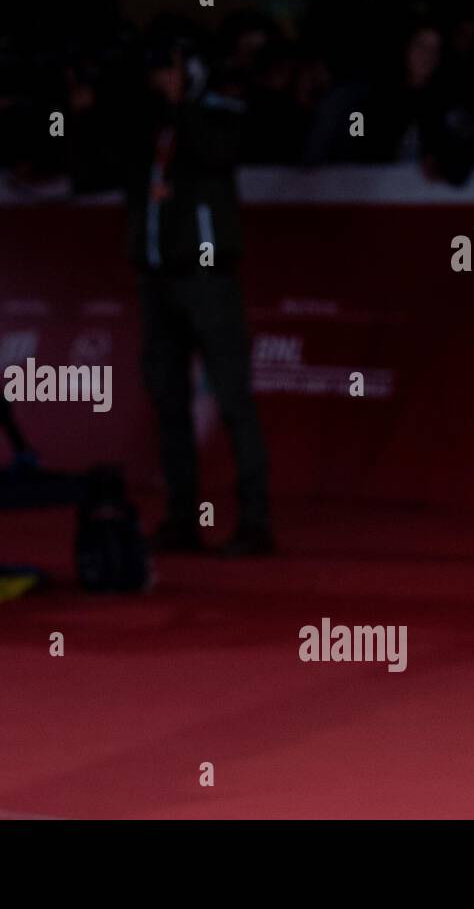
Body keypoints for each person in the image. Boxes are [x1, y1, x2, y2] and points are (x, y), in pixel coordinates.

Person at [122, 37, 275, 557]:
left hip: (208, 277)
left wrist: (183, 99)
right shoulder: (149, 119)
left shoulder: (218, 107)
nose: (157, 79)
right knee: (168, 400)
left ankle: (255, 521)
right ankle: (181, 517)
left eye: (169, 68)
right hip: (157, 277)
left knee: (233, 397)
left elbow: (218, 151)